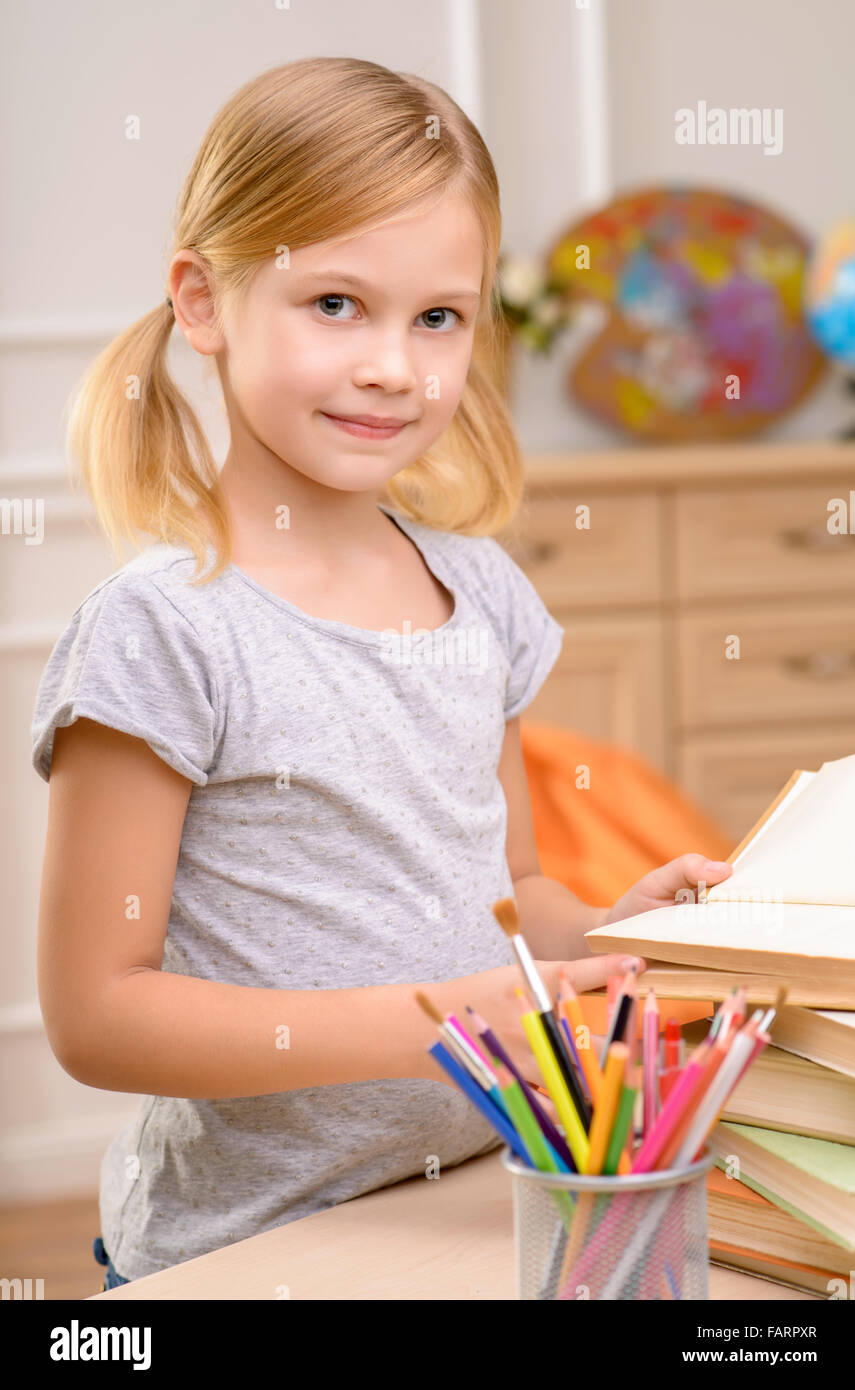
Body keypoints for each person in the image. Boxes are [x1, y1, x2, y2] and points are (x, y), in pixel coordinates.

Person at [31, 57, 732, 1289]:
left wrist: (623, 930)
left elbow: (511, 888)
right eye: (337, 305)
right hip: (251, 1244)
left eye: (438, 318)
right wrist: (444, 1029)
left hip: (483, 1192)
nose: (396, 369)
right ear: (202, 301)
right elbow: (98, 1012)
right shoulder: (165, 631)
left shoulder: (483, 597)